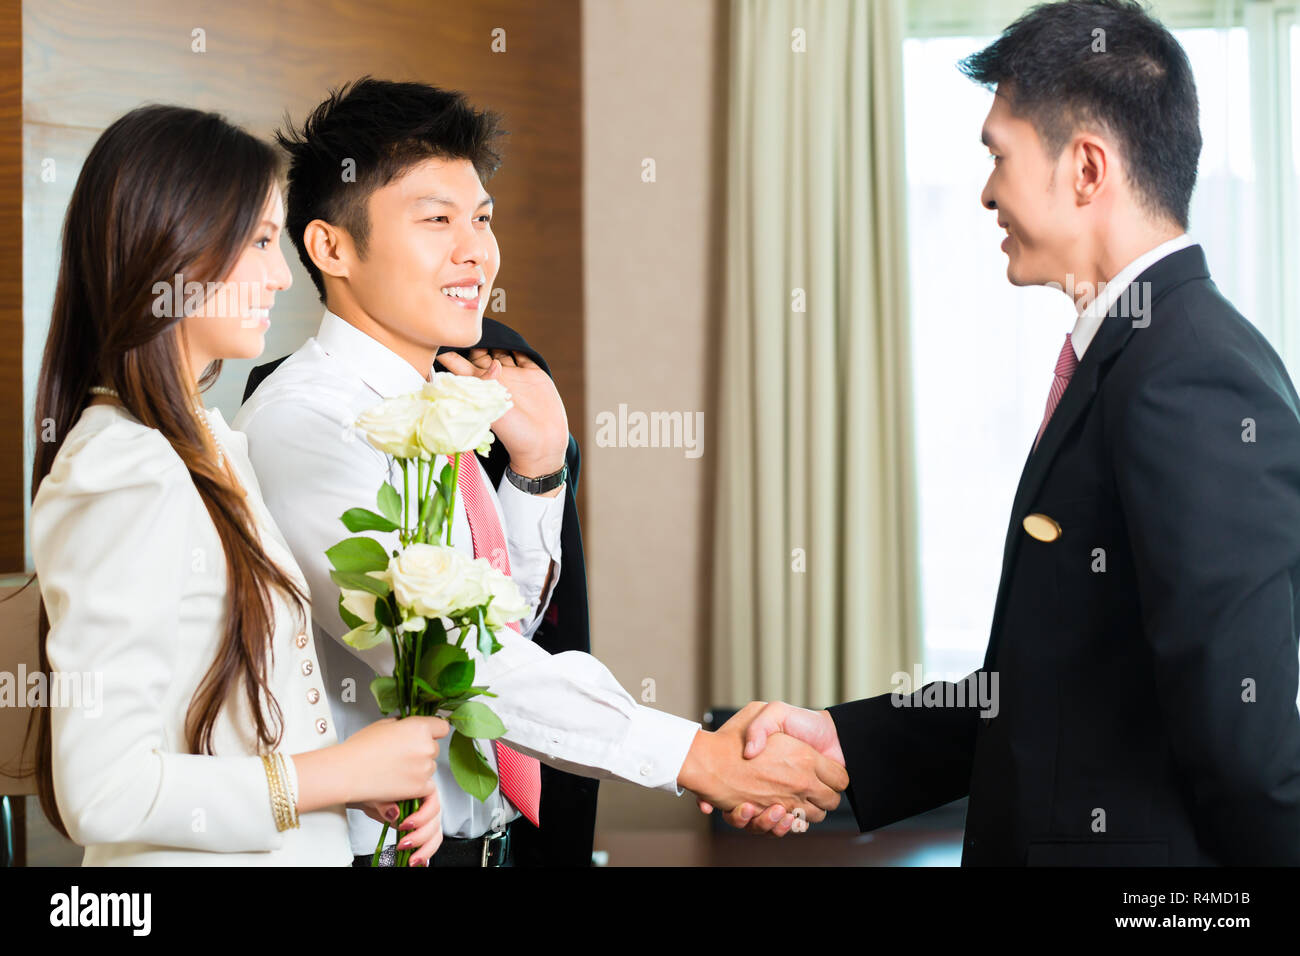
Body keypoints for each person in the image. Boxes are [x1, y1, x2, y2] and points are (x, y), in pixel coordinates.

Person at [710, 0, 1300, 863]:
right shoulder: (1139, 353)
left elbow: (1245, 749)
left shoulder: (1189, 376)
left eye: (998, 155)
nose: (986, 190)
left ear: (1087, 168)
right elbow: (1051, 687)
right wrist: (846, 740)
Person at [234, 77, 848, 867]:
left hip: (491, 847)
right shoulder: (304, 423)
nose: (475, 252)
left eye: (481, 220)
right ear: (331, 247)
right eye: (436, 220)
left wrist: (536, 472)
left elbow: (501, 625)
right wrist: (699, 757)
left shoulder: (445, 406)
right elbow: (458, 659)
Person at [24, 104, 451, 865]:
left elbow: (226, 719)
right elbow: (100, 789)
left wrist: (350, 783)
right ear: (173, 248)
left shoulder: (211, 445)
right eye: (257, 240)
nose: (282, 274)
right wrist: (327, 775)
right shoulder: (123, 469)